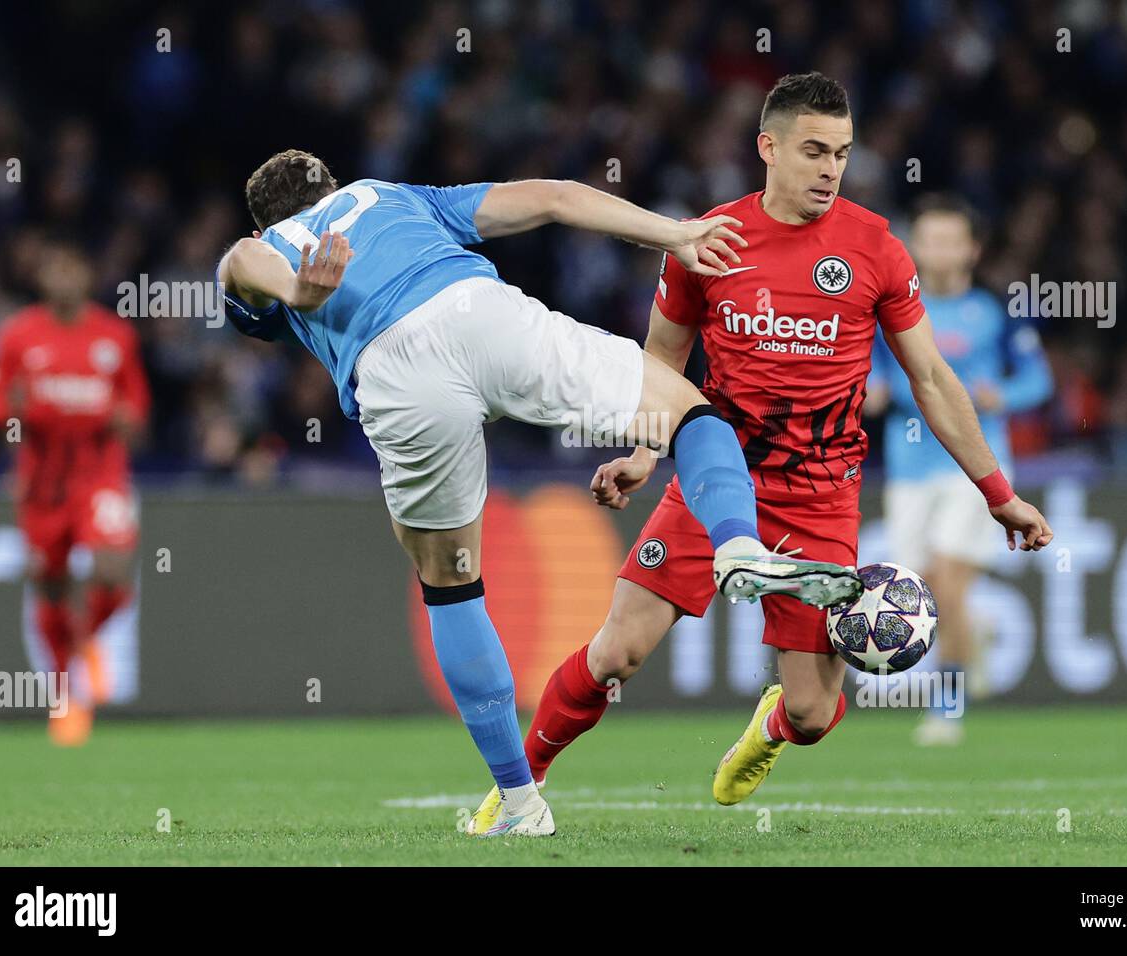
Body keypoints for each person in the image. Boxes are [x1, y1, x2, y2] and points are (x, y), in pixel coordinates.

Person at [467, 72, 1053, 831]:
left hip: (819, 495)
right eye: (814, 150)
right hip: (718, 484)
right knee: (616, 655)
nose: (830, 169)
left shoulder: (877, 248)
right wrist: (646, 457)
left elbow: (933, 379)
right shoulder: (707, 241)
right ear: (767, 148)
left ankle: (771, 726)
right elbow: (662, 362)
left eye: (841, 153)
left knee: (813, 714)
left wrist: (996, 491)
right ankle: (517, 790)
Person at [217, 150, 862, 837]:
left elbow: (239, 264)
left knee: (449, 583)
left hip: (398, 376)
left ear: (268, 220)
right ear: (333, 188)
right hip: (482, 316)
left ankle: (520, 805)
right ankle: (735, 544)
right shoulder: (386, 195)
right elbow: (552, 196)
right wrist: (673, 233)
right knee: (687, 415)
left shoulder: (274, 246)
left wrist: (296, 292)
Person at [867, 194, 1053, 746]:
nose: (940, 250)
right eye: (930, 238)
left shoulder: (994, 312)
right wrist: (871, 393)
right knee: (918, 589)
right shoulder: (892, 312)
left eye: (951, 239)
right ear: (914, 247)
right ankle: (976, 634)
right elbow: (874, 375)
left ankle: (946, 707)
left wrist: (1004, 395)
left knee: (946, 581)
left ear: (972, 249)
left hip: (972, 467)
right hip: (908, 469)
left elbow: (1038, 381)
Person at [0, 239, 150, 746]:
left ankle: (81, 647)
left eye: (76, 269)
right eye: (58, 269)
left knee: (115, 573)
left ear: (88, 277)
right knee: (49, 584)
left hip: (101, 477)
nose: (67, 279)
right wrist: (15, 408)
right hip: (42, 483)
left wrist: (125, 420)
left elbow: (137, 412)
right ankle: (66, 692)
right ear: (43, 277)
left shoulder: (114, 337)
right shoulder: (17, 336)